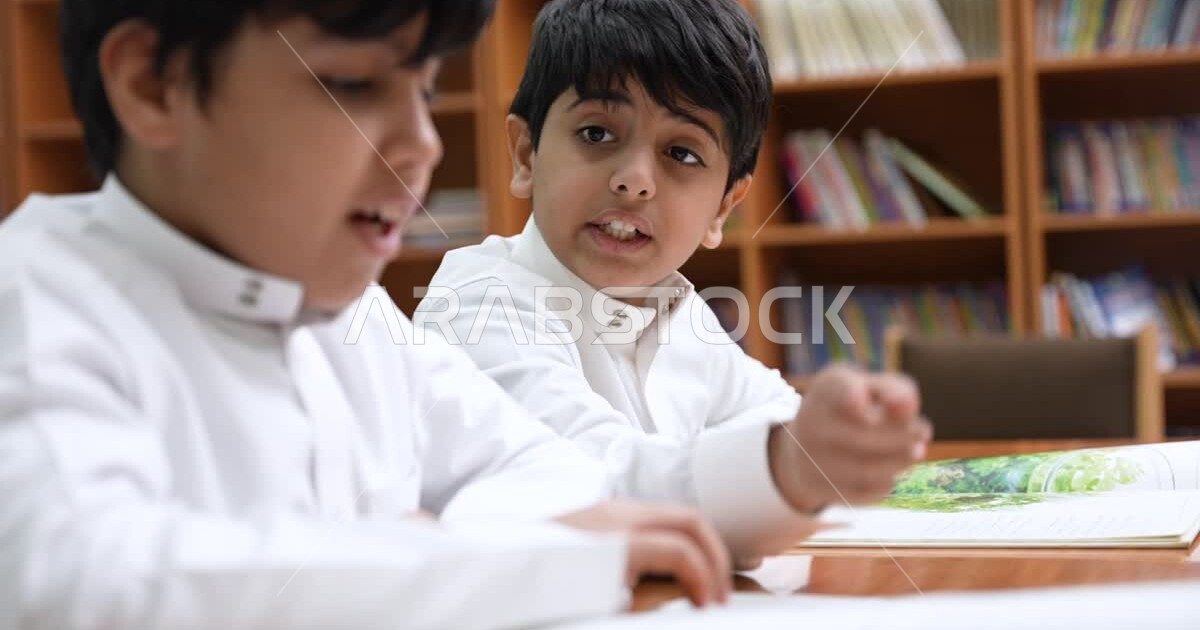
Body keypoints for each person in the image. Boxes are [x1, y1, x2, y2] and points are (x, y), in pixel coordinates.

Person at [0, 2, 741, 628]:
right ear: (154, 85)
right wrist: (455, 558)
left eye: (422, 90)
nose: (423, 142)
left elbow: (552, 471)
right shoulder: (34, 300)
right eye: (353, 83)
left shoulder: (361, 324)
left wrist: (430, 551)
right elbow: (88, 583)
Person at [419, 0, 932, 561]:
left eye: (681, 153)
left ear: (724, 208)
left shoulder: (680, 311)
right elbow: (583, 486)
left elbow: (772, 417)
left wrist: (842, 438)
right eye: (596, 133)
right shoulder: (475, 301)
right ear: (526, 156)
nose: (634, 180)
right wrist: (789, 465)